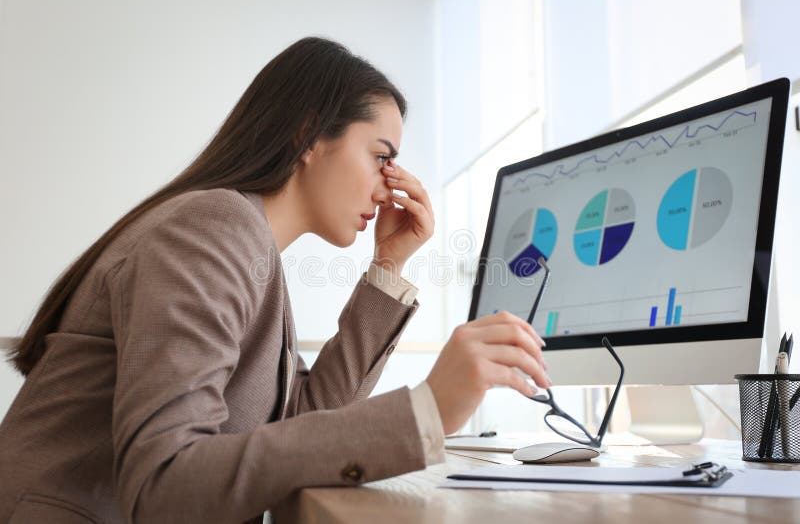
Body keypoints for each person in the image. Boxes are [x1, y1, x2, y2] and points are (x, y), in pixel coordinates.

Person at [0, 37, 549, 524]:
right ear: (309, 132)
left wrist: (387, 268)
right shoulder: (213, 227)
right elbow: (163, 483)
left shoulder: (249, 250)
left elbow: (307, 420)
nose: (390, 189)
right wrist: (426, 409)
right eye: (381, 157)